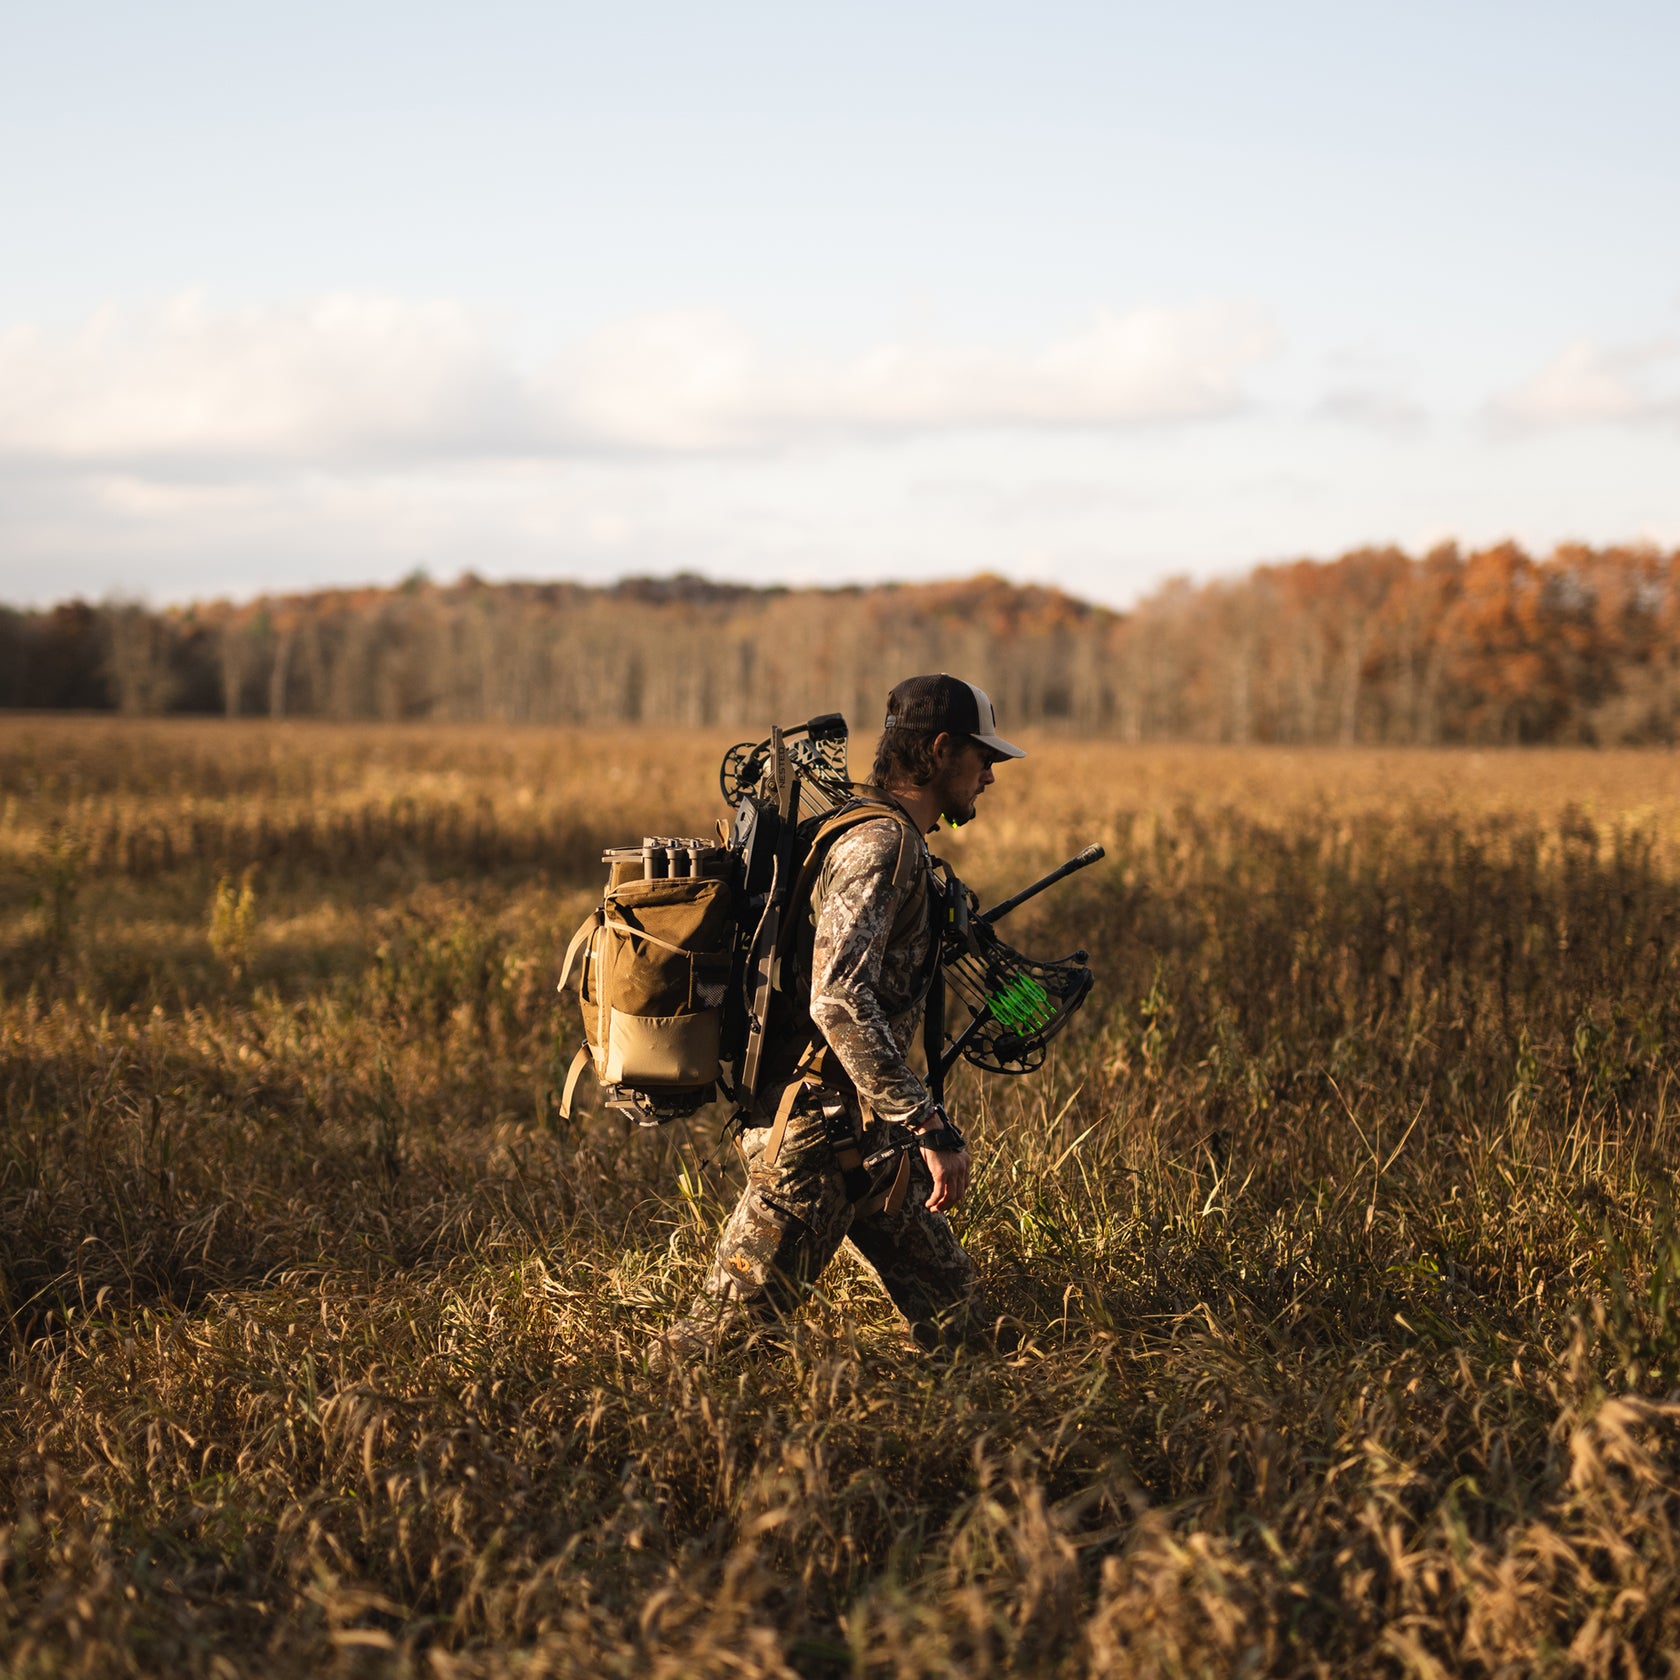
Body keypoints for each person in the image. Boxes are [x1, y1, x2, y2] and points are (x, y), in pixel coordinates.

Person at [659, 674, 1025, 1360]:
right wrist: (928, 1122)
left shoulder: (869, 830)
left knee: (970, 1340)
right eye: (985, 759)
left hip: (871, 1142)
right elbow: (838, 999)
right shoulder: (877, 845)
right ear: (943, 751)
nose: (990, 778)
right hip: (816, 1144)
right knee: (714, 1349)